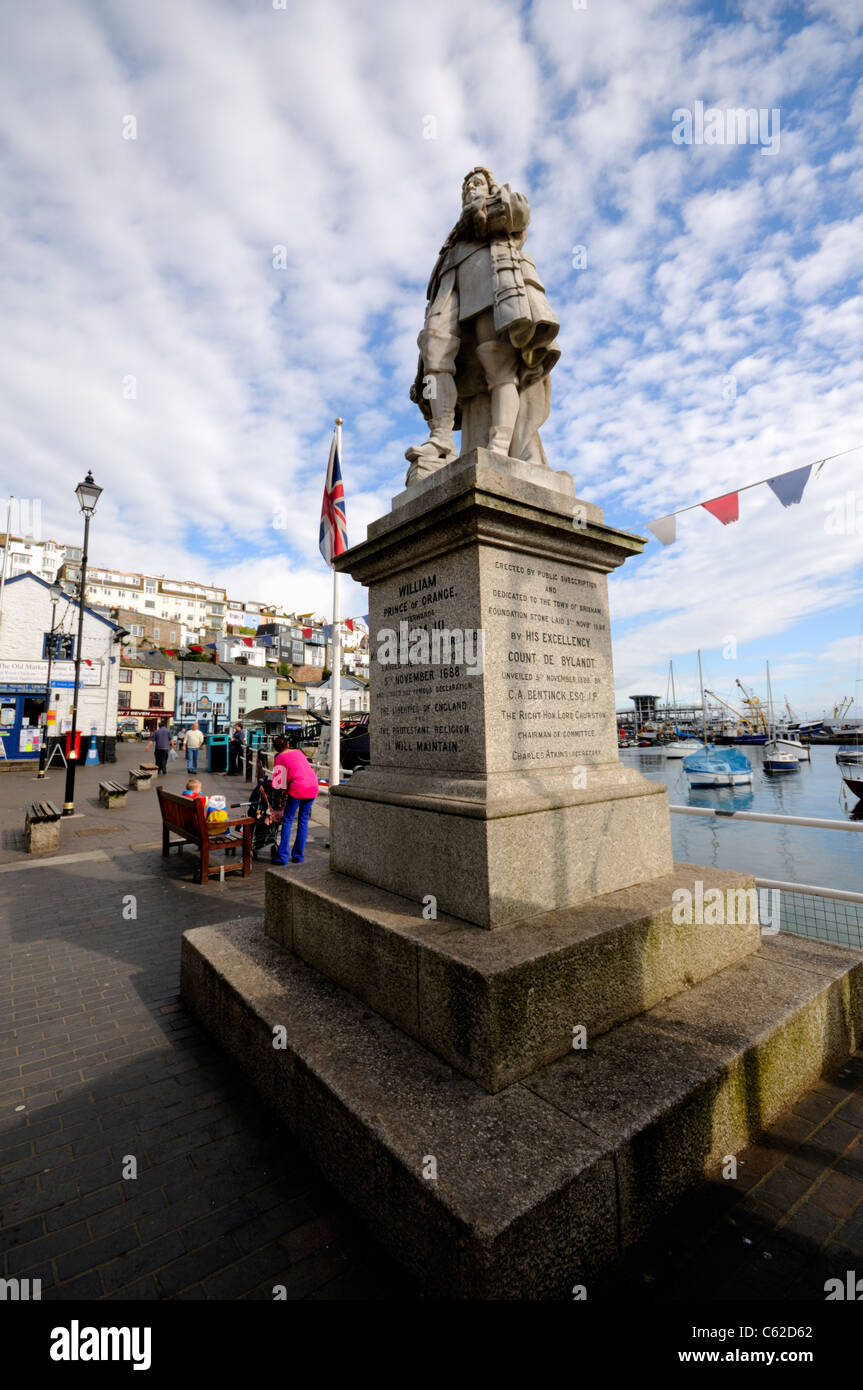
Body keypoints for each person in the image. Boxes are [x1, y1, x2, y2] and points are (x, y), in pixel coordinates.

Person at [405, 166, 560, 486]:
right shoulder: (455, 236)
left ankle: (499, 445)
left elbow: (518, 212)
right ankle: (441, 437)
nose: (470, 190)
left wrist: (482, 208)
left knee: (498, 362)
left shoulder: (504, 200)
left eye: (477, 184)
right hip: (454, 286)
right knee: (434, 346)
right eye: (466, 188)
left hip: (494, 281)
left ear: (489, 187)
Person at [270, 734, 318, 864]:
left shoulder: (279, 758)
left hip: (298, 788)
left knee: (288, 820)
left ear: (276, 749)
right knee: (303, 820)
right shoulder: (298, 752)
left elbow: (277, 783)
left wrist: (279, 795)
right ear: (288, 744)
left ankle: (283, 857)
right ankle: (298, 856)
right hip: (313, 786)